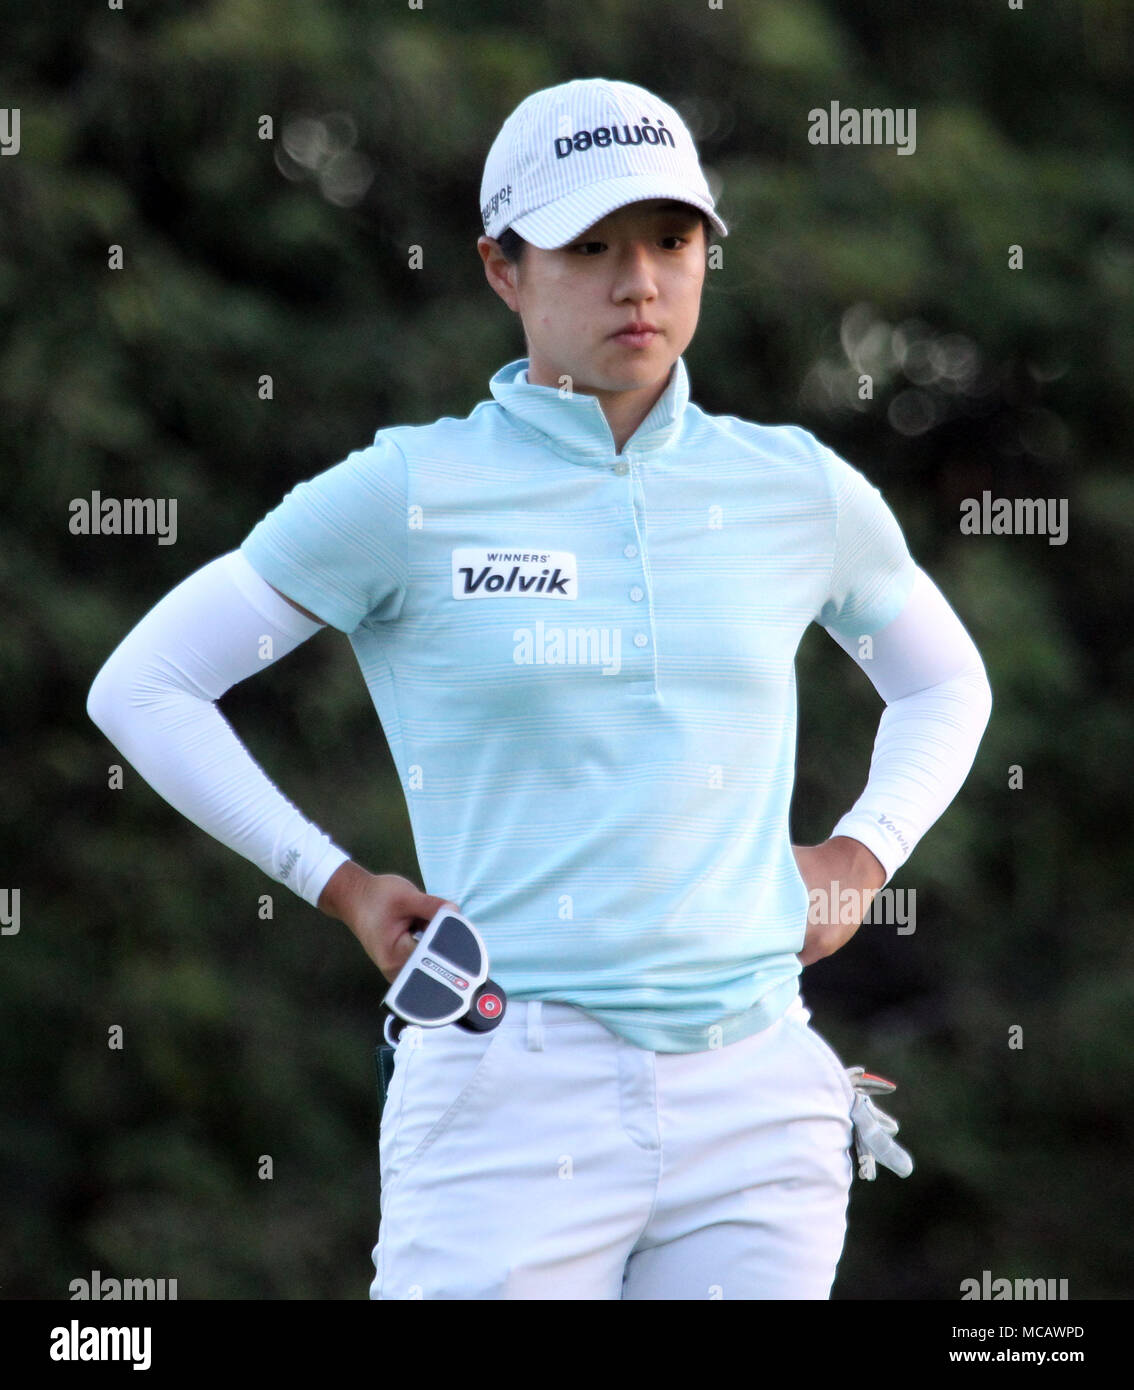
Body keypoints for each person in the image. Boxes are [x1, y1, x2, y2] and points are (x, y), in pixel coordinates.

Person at [87, 77, 992, 1300]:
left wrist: (866, 854)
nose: (640, 283)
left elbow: (944, 685)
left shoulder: (797, 487)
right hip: (506, 1092)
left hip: (757, 1096)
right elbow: (146, 684)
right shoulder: (407, 487)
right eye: (591, 247)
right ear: (502, 268)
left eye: (673, 242)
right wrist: (341, 886)